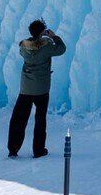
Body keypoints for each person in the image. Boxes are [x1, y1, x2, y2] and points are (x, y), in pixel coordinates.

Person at [7, 19, 66, 158]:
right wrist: (53, 37)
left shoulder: (24, 48)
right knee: (40, 120)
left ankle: (13, 149)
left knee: (18, 119)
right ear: (42, 32)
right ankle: (38, 150)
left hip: (26, 89)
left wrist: (38, 36)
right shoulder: (47, 47)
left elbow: (29, 45)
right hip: (41, 89)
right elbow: (61, 49)